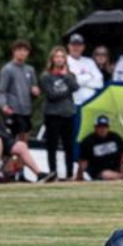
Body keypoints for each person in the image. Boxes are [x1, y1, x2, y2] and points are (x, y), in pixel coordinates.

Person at [40, 46, 79, 180]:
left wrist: (65, 76)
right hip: (52, 115)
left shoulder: (70, 75)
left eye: (62, 57)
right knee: (52, 145)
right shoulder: (46, 76)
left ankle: (69, 173)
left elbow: (75, 87)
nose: (59, 59)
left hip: (68, 114)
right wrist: (66, 91)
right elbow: (51, 95)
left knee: (69, 145)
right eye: (57, 57)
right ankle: (53, 172)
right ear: (52, 59)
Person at [0, 40, 39, 143]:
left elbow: (34, 89)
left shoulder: (30, 70)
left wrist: (36, 91)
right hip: (13, 110)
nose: (22, 52)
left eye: (25, 50)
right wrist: (4, 106)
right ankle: (9, 159)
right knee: (15, 142)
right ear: (14, 51)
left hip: (27, 111)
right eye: (19, 50)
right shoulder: (7, 69)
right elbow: (2, 91)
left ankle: (21, 159)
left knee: (25, 140)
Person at [75, 115, 123, 181]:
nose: (102, 129)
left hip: (116, 168)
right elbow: (83, 161)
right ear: (95, 128)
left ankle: (122, 176)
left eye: (105, 127)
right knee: (105, 174)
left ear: (108, 127)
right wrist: (79, 175)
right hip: (98, 172)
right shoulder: (88, 141)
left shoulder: (115, 137)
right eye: (100, 127)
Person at [66, 33, 103, 107]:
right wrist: (89, 76)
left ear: (83, 47)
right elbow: (71, 83)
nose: (76, 48)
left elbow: (100, 83)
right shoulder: (64, 61)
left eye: (79, 45)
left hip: (91, 103)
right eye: (73, 45)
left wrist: (79, 79)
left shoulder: (89, 61)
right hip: (73, 104)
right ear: (69, 46)